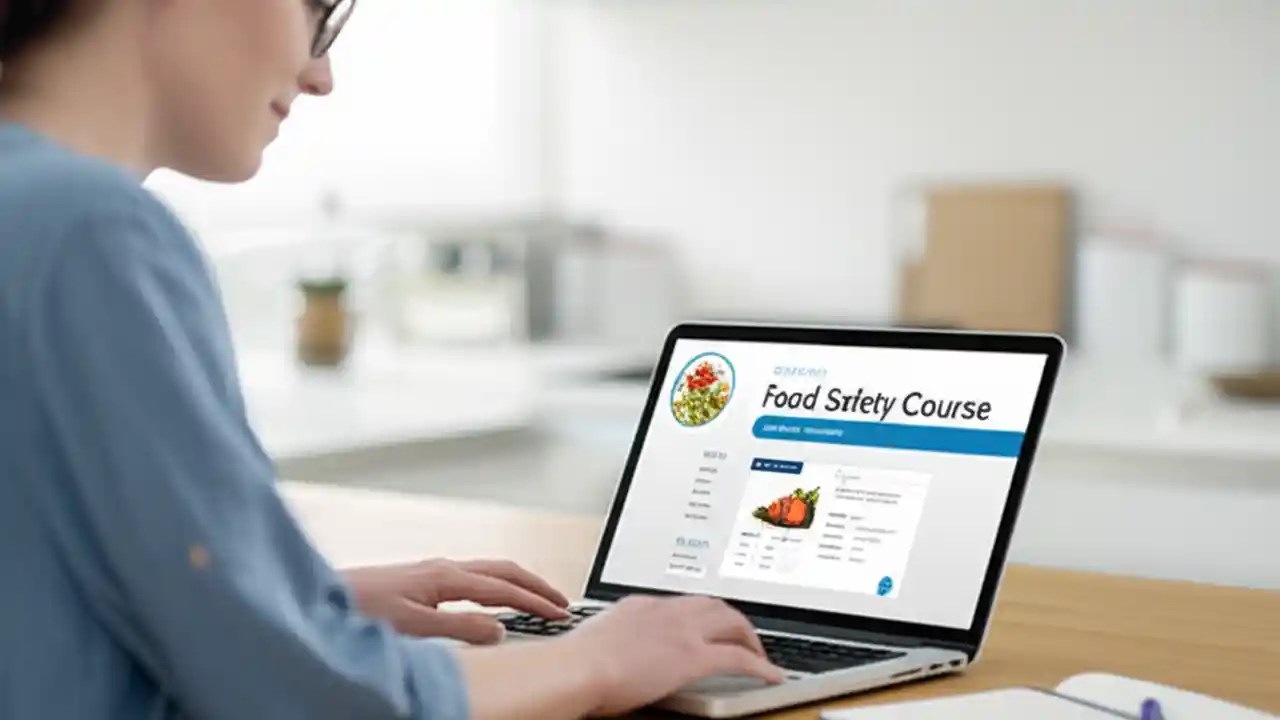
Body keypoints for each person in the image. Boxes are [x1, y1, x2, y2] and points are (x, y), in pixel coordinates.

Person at [0, 0, 784, 718]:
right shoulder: (90, 230)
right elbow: (308, 701)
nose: (320, 74)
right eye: (315, 12)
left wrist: (296, 605)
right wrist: (598, 660)